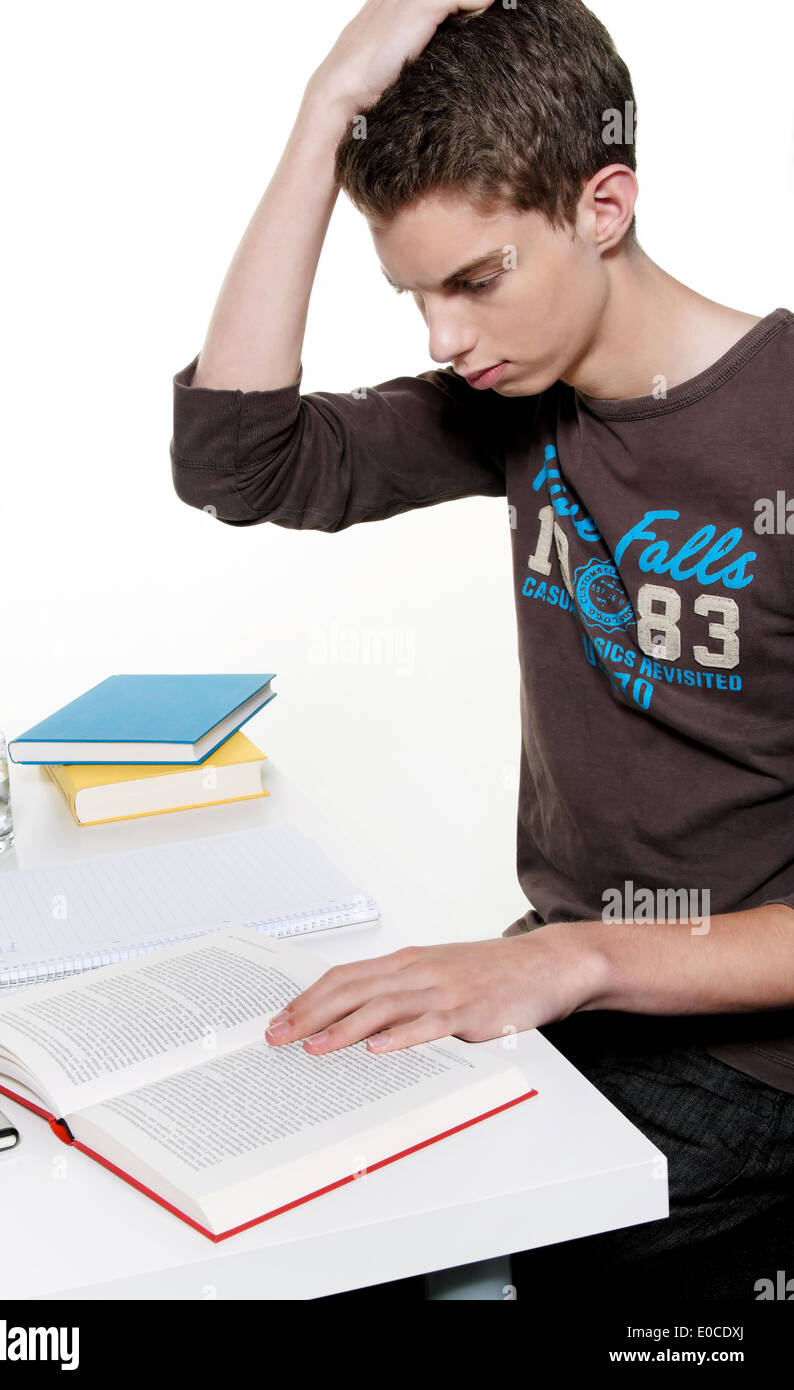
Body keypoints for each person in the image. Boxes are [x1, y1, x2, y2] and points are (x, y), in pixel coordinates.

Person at [169, 0, 794, 1301]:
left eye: (475, 280)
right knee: (264, 1212)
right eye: (413, 294)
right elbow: (237, 458)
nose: (442, 340)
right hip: (579, 989)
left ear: (603, 205)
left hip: (749, 1069)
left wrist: (575, 958)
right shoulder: (512, 402)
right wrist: (323, 106)